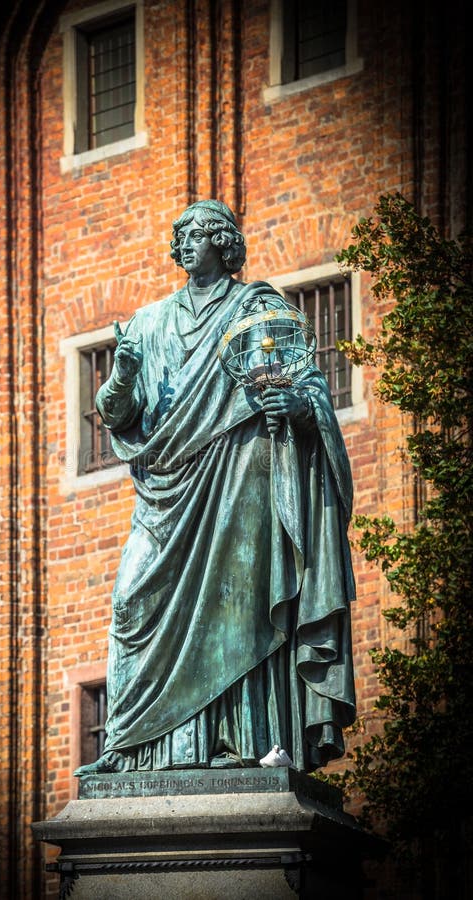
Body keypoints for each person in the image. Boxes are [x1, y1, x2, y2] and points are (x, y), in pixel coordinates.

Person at [74, 199, 356, 775]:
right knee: (131, 600)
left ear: (225, 245)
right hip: (168, 492)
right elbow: (117, 414)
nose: (184, 243)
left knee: (242, 611)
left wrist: (296, 404)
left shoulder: (258, 309)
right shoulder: (150, 322)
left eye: (197, 234)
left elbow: (308, 387)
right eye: (179, 235)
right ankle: (131, 747)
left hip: (241, 480)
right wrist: (124, 374)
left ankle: (239, 741)